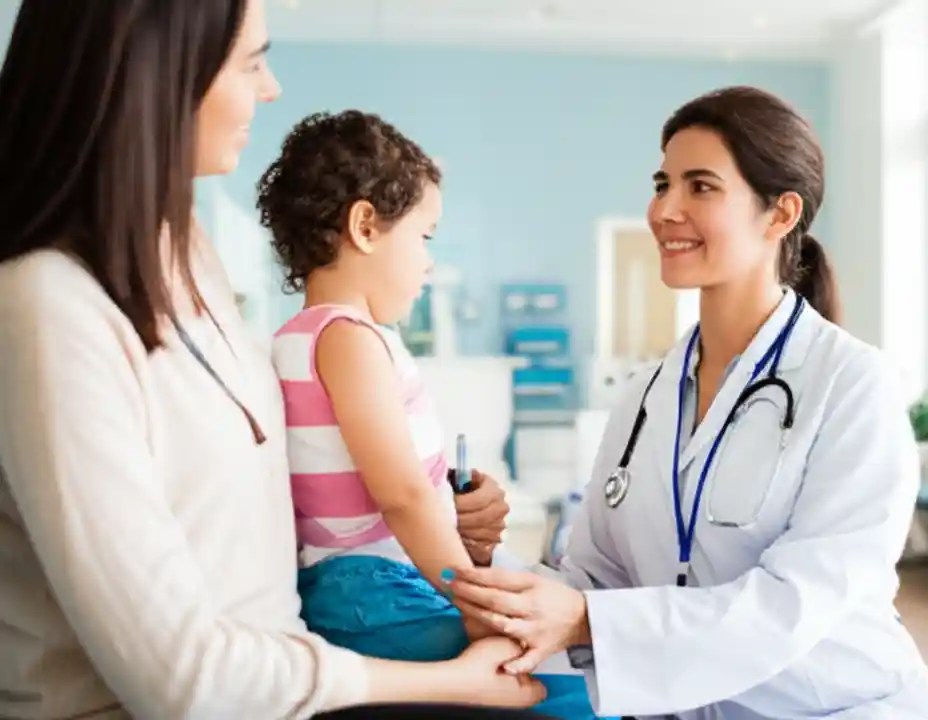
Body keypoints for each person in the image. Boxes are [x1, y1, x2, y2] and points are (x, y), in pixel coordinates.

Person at [0, 1, 547, 718]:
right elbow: (181, 677)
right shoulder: (46, 307)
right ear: (163, 73)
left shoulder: (188, 262)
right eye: (252, 62)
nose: (272, 89)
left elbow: (242, 530)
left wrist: (449, 513)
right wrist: (454, 679)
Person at [446, 86, 928, 719]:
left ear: (780, 215)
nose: (664, 210)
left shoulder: (851, 384)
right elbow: (594, 583)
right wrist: (491, 557)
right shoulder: (645, 395)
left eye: (701, 187)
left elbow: (793, 604)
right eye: (662, 184)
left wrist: (585, 621)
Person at [256, 109, 604, 720]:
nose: (429, 263)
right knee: (574, 695)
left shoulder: (298, 337)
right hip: (374, 592)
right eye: (424, 237)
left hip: (364, 588)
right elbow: (404, 497)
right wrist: (473, 600)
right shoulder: (347, 337)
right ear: (365, 226)